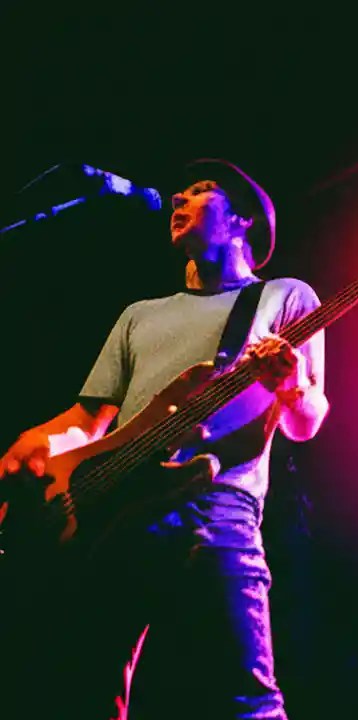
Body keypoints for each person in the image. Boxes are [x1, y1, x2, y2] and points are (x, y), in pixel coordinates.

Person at [0, 158, 328, 719]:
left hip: (216, 505)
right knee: (89, 692)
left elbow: (307, 421)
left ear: (244, 220)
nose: (179, 198)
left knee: (246, 699)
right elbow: (89, 418)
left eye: (200, 190)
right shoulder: (139, 315)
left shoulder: (284, 296)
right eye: (179, 191)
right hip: (112, 509)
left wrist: (292, 385)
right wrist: (34, 442)